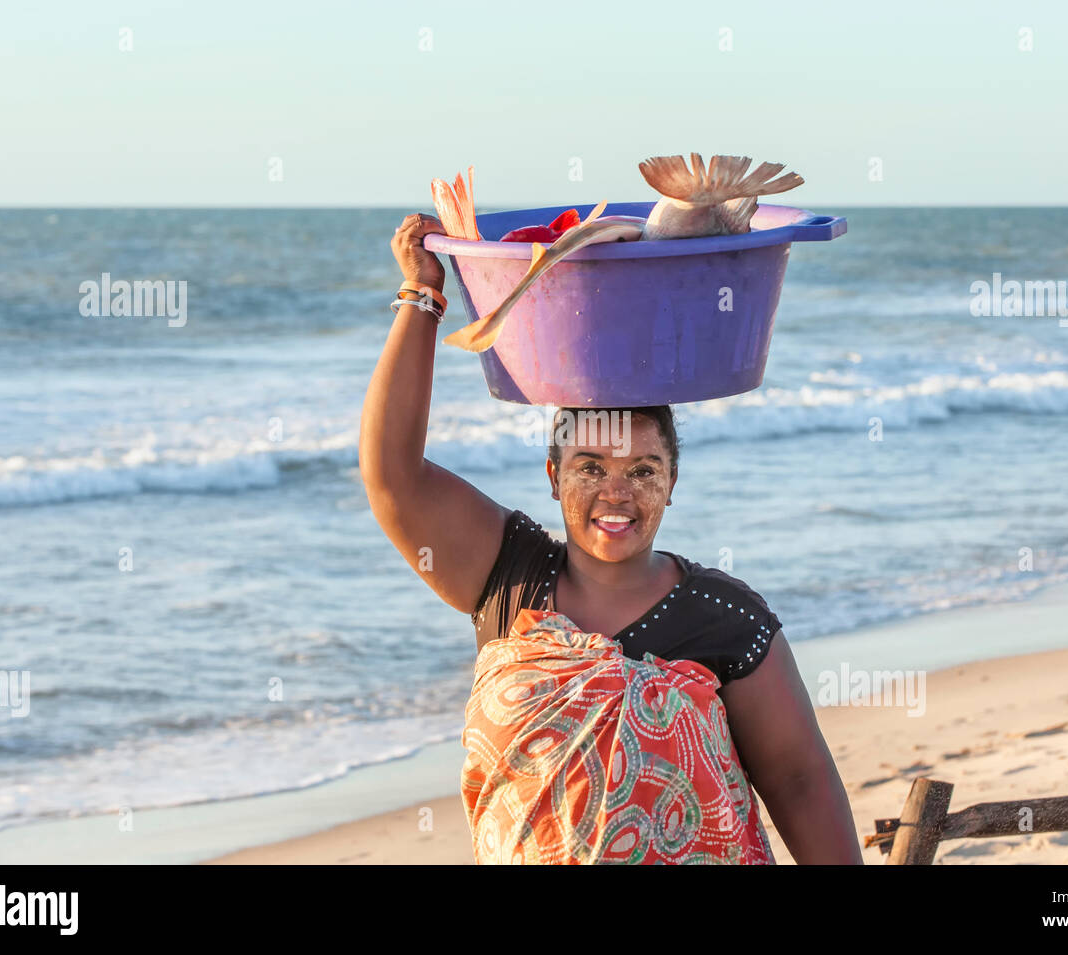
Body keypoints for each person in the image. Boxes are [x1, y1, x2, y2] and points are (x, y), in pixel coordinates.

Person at [360, 212, 862, 864]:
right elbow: (392, 476)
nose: (616, 493)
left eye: (642, 470)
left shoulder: (728, 619)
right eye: (590, 468)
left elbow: (799, 780)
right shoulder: (507, 578)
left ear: (674, 480)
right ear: (552, 475)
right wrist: (422, 297)